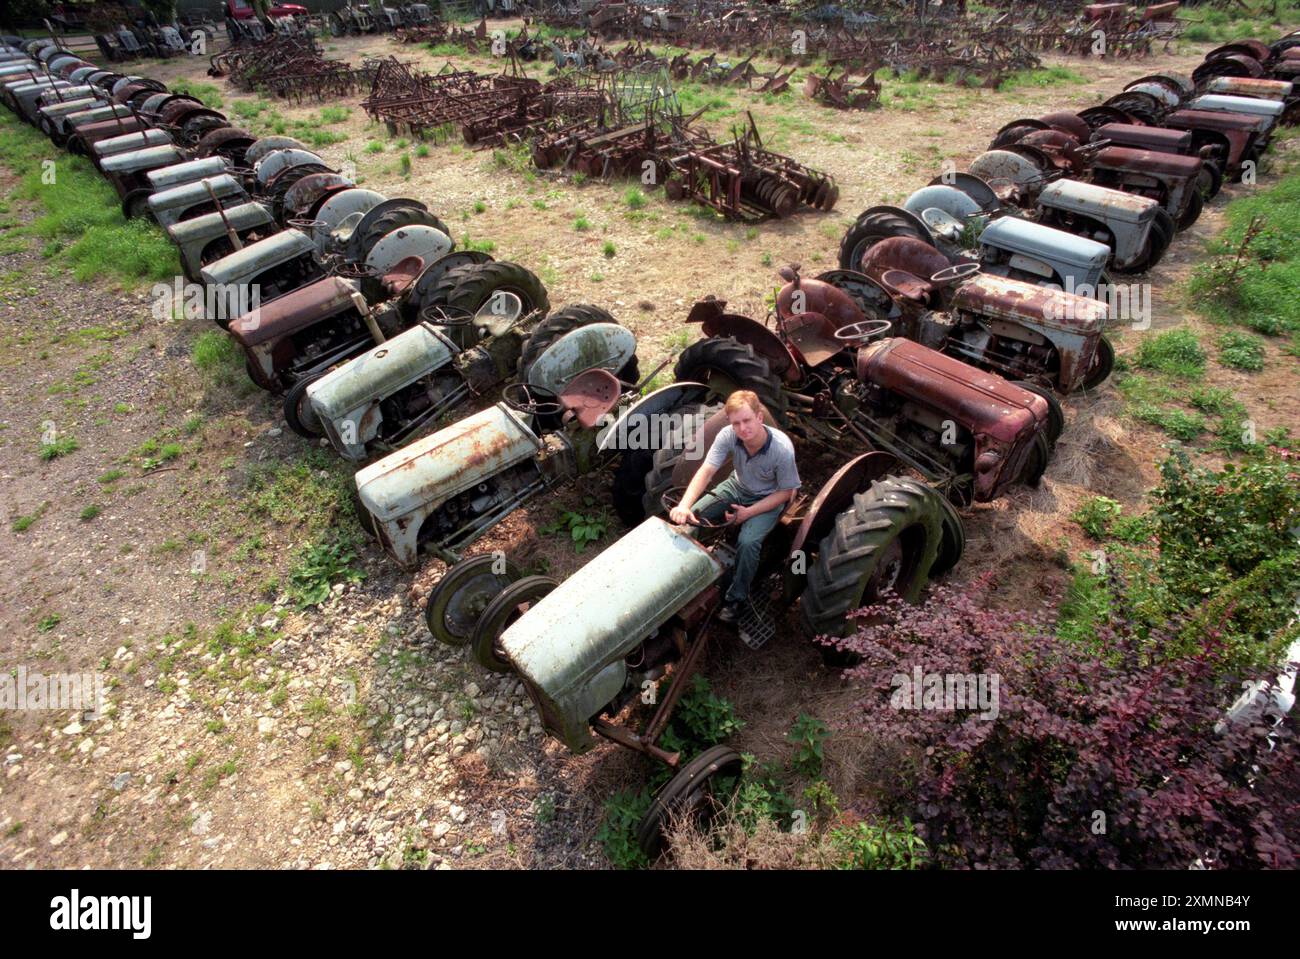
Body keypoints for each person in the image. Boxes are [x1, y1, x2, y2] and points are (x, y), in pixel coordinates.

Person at [669, 390, 800, 624]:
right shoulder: (728, 435)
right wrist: (685, 505)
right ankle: (678, 580)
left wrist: (748, 513)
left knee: (748, 543)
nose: (742, 428)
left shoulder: (781, 448)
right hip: (737, 486)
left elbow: (786, 492)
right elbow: (707, 470)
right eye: (736, 423)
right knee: (690, 520)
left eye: (747, 420)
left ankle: (736, 599)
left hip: (769, 497)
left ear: (759, 418)